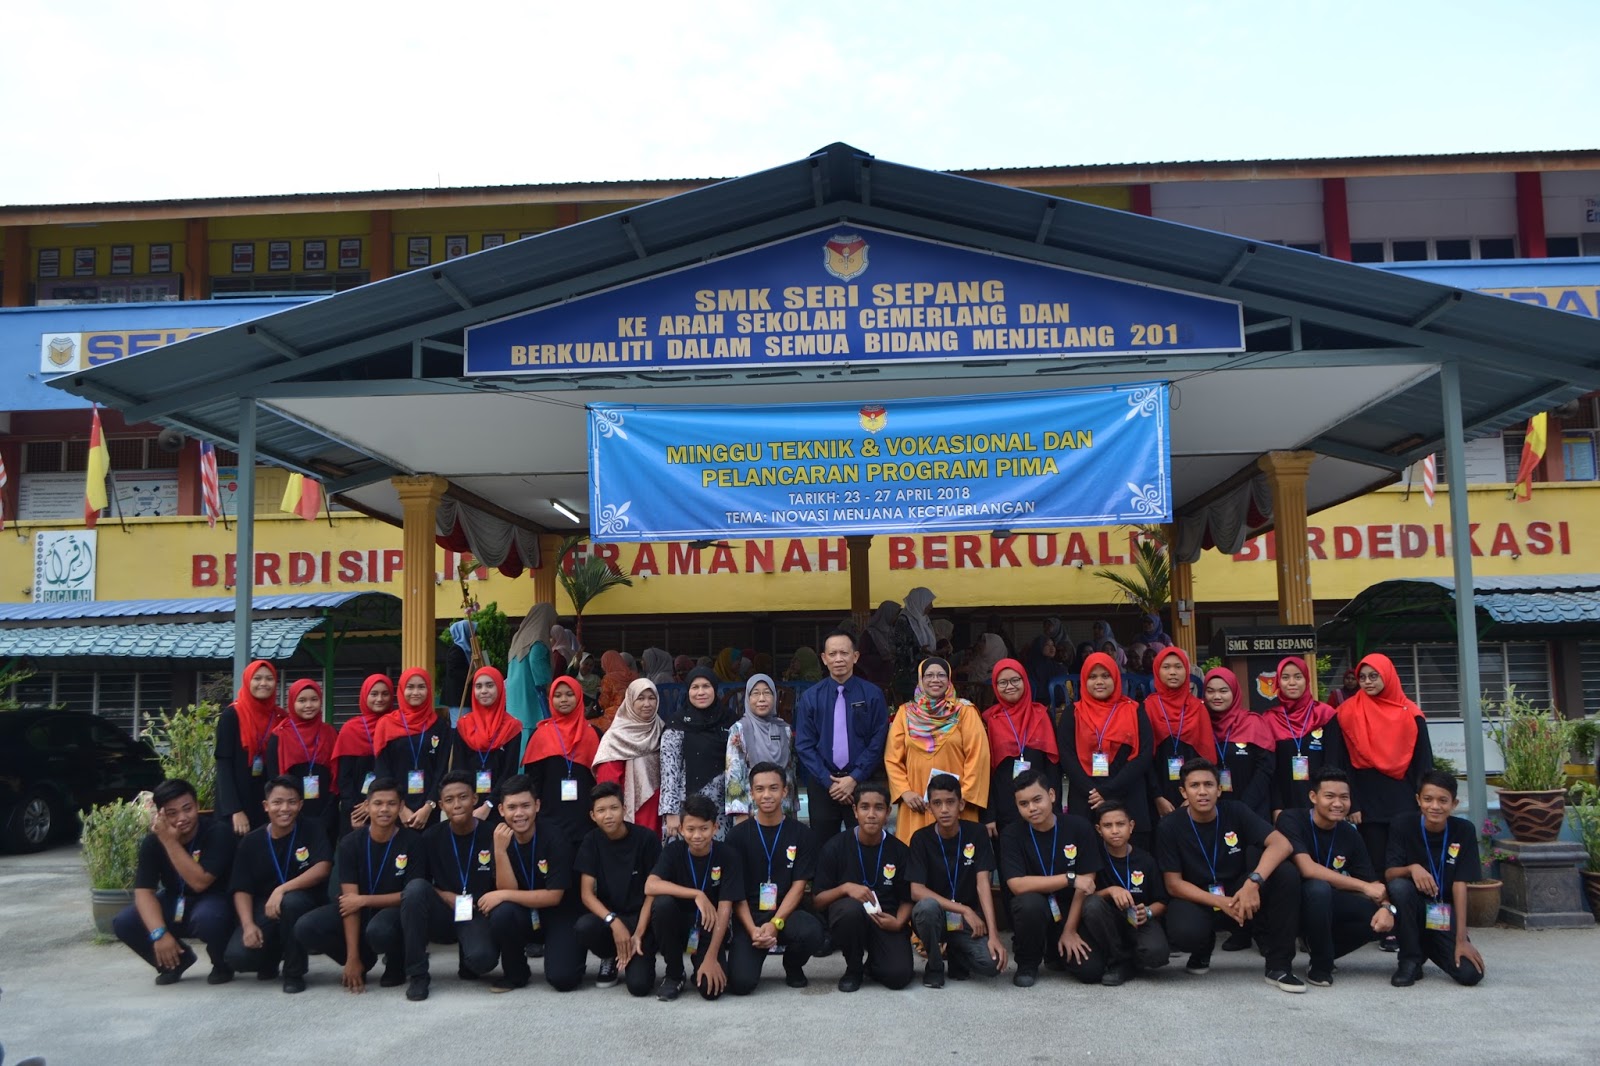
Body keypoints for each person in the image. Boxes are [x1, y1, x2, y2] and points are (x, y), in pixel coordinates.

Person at [1155, 759, 1304, 993]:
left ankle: (1279, 966)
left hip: (1239, 890)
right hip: (1199, 897)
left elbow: (1282, 844)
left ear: (1219, 788)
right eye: (1194, 786)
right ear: (1183, 792)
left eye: (1209, 784)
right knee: (1184, 932)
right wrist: (1220, 902)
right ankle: (1202, 947)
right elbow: (1173, 885)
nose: (1202, 792)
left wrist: (1253, 883)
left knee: (1286, 873)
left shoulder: (1236, 811)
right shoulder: (1169, 826)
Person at [293, 776, 419, 993]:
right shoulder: (351, 843)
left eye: (391, 804)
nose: (384, 810)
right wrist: (351, 958)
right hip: (359, 909)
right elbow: (349, 902)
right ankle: (361, 961)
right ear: (367, 806)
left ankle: (396, 963)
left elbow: (410, 896)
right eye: (378, 803)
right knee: (306, 927)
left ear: (400, 807)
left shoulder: (413, 842)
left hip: (392, 911)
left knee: (381, 930)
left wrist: (364, 900)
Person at [1276, 767, 1396, 986]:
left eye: (1344, 797)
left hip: (1328, 904)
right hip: (1292, 905)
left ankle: (1324, 951)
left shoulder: (1349, 833)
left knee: (1378, 917)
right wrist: (1364, 887)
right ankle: (1321, 967)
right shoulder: (1291, 819)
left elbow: (1371, 881)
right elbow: (1307, 869)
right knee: (1317, 888)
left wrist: (1387, 908)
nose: (1338, 804)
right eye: (1329, 796)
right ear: (1313, 797)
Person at [113, 778, 237, 985]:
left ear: (197, 806)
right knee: (125, 922)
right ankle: (175, 962)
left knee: (208, 918)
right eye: (172, 813)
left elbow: (200, 882)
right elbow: (144, 892)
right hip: (175, 899)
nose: (182, 818)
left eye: (187, 809)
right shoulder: (153, 842)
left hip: (214, 899)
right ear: (160, 814)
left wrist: (170, 842)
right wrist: (159, 933)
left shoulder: (218, 832)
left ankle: (222, 963)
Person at [724, 761, 826, 993]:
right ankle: (753, 949)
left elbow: (799, 887)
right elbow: (734, 891)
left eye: (773, 788)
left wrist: (775, 924)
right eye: (759, 789)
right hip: (749, 917)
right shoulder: (737, 836)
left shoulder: (802, 834)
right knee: (741, 985)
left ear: (785, 791)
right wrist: (752, 929)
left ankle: (792, 965)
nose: (766, 795)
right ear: (751, 793)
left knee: (812, 931)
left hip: (786, 915)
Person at [225, 775, 333, 993]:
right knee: (238, 957)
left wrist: (282, 889)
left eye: (292, 802)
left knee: (291, 902)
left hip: (304, 901)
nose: (285, 808)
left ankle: (294, 973)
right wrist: (248, 925)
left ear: (300, 804)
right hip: (265, 907)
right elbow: (241, 888)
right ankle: (270, 957)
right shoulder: (251, 841)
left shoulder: (313, 828)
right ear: (266, 806)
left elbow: (323, 867)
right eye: (277, 802)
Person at [398, 770, 500, 1001]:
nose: (457, 804)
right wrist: (445, 896)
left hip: (478, 911)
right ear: (441, 805)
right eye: (450, 800)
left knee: (482, 962)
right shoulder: (430, 837)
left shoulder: (493, 833)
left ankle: (469, 956)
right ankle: (418, 975)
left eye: (463, 797)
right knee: (414, 891)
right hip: (443, 912)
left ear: (475, 799)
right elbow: (419, 882)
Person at [1338, 653, 1434, 895]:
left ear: (1388, 677)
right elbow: (1343, 764)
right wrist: (1352, 803)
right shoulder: (1347, 713)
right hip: (1366, 804)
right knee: (1374, 865)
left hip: (1404, 801)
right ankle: (1383, 919)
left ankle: (1408, 922)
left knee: (1406, 864)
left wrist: (1424, 801)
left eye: (1374, 676)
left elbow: (1423, 764)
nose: (1368, 682)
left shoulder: (1410, 714)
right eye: (1362, 677)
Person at [998, 768, 1102, 987]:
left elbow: (1088, 882)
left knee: (1092, 972)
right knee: (1028, 903)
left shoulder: (1079, 827)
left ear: (1052, 795)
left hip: (1070, 911)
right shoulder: (1011, 834)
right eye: (1023, 804)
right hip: (1036, 912)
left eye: (1037, 800)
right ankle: (1028, 963)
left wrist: (1070, 930)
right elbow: (1017, 885)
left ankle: (1057, 952)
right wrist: (1070, 878)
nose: (1032, 808)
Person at [1384, 770, 1486, 987]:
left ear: (1454, 803)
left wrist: (1461, 939)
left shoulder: (1464, 830)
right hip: (1413, 907)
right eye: (1428, 799)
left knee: (1470, 975)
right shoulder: (1403, 824)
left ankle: (1427, 946)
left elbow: (1460, 884)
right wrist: (1412, 868)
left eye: (1443, 800)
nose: (1435, 806)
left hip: (1442, 911)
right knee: (1400, 887)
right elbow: (1390, 874)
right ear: (1418, 800)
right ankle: (1410, 960)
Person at [482, 773, 581, 993]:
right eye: (512, 807)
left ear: (537, 805)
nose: (519, 814)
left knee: (563, 979)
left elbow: (554, 896)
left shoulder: (556, 837)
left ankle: (570, 952)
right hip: (525, 913)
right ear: (501, 810)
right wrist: (499, 851)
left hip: (558, 913)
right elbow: (508, 890)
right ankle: (515, 974)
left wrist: (503, 895)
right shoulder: (500, 838)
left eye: (525, 805)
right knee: (502, 913)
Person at [813, 783, 915, 992]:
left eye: (878, 808)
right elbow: (818, 901)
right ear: (855, 811)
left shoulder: (900, 851)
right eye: (865, 807)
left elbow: (907, 898)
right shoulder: (835, 847)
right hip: (851, 918)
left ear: (888, 812)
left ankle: (874, 963)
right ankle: (854, 968)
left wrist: (898, 923)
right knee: (850, 911)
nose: (871, 814)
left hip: (885, 919)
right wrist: (845, 888)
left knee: (899, 976)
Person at [908, 774, 1006, 988]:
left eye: (950, 802)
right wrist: (964, 910)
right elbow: (916, 890)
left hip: (966, 924)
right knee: (926, 907)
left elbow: (983, 884)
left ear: (961, 804)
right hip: (934, 918)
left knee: (993, 964)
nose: (944, 809)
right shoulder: (921, 838)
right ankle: (934, 966)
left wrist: (994, 935)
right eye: (937, 803)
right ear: (929, 807)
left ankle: (957, 950)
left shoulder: (977, 833)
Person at [645, 793, 744, 1001]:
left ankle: (701, 962)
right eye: (690, 829)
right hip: (679, 925)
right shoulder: (673, 851)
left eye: (704, 829)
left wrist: (711, 958)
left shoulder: (728, 855)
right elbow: (650, 886)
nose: (697, 835)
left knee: (711, 991)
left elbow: (725, 908)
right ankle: (674, 974)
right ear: (681, 829)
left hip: (710, 927)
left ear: (715, 828)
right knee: (662, 904)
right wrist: (697, 894)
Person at [794, 630, 891, 840]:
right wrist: (830, 783)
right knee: (822, 846)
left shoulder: (872, 694)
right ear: (824, 658)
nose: (838, 659)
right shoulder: (811, 697)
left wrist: (854, 778)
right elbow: (804, 744)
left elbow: (878, 739)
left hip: (863, 782)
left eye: (844, 653)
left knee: (865, 844)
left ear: (855, 657)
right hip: (823, 784)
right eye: (833, 653)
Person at [886, 656, 990, 843]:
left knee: (958, 859)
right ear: (921, 679)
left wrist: (959, 798)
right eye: (929, 675)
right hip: (916, 803)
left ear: (949, 679)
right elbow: (892, 758)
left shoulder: (965, 711)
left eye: (941, 675)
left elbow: (978, 757)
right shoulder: (905, 713)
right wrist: (905, 792)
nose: (935, 680)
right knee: (918, 856)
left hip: (957, 803)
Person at [1058, 652, 1155, 850]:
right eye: (1092, 677)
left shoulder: (1135, 710)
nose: (1099, 682)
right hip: (1086, 797)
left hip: (1127, 792)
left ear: (1116, 678)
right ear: (1084, 680)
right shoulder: (1073, 713)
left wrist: (1107, 790)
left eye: (1105, 676)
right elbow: (1066, 756)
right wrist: (1093, 791)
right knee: (1087, 856)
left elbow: (1144, 755)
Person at [573, 781, 661, 996]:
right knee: (584, 925)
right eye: (601, 811)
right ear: (593, 816)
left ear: (624, 809)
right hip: (611, 918)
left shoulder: (646, 839)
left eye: (614, 808)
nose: (608, 815)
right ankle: (609, 956)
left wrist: (638, 932)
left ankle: (636, 950)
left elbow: (654, 890)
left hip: (641, 918)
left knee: (639, 987)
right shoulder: (591, 841)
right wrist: (613, 922)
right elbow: (586, 894)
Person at [981, 657, 1061, 839]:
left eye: (1015, 680)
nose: (1010, 686)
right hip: (1005, 808)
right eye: (1002, 682)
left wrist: (1053, 806)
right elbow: (985, 772)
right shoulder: (989, 720)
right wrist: (989, 814)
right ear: (995, 686)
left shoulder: (1042, 714)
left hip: (1041, 806)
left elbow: (1053, 765)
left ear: (1025, 681)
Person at [1091, 801, 1169, 985]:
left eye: (1120, 824)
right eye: (1108, 826)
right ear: (1098, 829)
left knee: (1157, 954)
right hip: (1105, 920)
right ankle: (1120, 961)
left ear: (1131, 826)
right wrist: (1110, 891)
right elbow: (1085, 899)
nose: (1115, 830)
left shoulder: (1146, 860)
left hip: (1137, 919)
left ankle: (1129, 959)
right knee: (1092, 906)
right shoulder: (1094, 857)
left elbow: (1162, 901)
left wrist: (1148, 912)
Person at [523, 675, 604, 850]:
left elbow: (599, 779)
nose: (564, 699)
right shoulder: (540, 734)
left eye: (569, 694)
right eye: (557, 696)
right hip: (549, 817)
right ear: (550, 700)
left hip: (584, 818)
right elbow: (533, 781)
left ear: (579, 696)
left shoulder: (593, 734)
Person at [661, 667, 737, 841]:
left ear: (715, 689)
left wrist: (738, 809)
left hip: (721, 808)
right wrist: (670, 812)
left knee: (717, 858)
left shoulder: (730, 721)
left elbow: (737, 768)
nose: (700, 692)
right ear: (687, 691)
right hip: (686, 808)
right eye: (695, 687)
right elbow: (669, 771)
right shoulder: (677, 723)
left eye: (706, 686)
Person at [373, 668, 452, 832]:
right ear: (402, 690)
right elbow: (383, 770)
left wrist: (429, 806)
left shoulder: (439, 725)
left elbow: (441, 770)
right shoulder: (387, 724)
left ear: (428, 690)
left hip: (429, 811)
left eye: (421, 687)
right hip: (395, 810)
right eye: (410, 687)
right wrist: (400, 808)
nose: (415, 692)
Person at [1266, 656, 1345, 819]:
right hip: (1286, 804)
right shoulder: (1269, 719)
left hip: (1321, 804)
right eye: (1285, 677)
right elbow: (1271, 770)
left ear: (1307, 680)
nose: (1292, 683)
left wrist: (1328, 800)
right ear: (1278, 682)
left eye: (1298, 677)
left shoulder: (1325, 714)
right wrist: (1277, 806)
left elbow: (1332, 761)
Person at [263, 679, 339, 842]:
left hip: (325, 812)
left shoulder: (329, 733)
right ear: (292, 702)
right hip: (290, 812)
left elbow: (336, 775)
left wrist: (329, 812)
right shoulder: (280, 735)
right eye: (302, 700)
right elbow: (274, 779)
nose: (309, 705)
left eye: (314, 699)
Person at [446, 666, 525, 822]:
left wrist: (489, 804)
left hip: (500, 806)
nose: (483, 691)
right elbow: (459, 767)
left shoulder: (512, 727)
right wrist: (468, 803)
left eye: (490, 685)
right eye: (478, 686)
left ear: (500, 689)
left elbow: (509, 772)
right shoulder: (463, 725)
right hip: (468, 806)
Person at [1145, 647, 1216, 818]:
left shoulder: (1197, 707)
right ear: (1157, 671)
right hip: (1157, 793)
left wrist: (1192, 797)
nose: (1172, 672)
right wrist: (1157, 797)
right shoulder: (1148, 706)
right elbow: (1144, 758)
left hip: (1193, 796)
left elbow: (1205, 755)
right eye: (1166, 667)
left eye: (1178, 667)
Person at [215, 659, 283, 836]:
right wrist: (234, 810)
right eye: (257, 678)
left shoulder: (280, 717)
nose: (263, 683)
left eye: (269, 679)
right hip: (237, 803)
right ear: (247, 681)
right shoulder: (232, 715)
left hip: (268, 803)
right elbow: (223, 764)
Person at [1203, 667, 1276, 821]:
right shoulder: (1200, 724)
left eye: (1223, 691)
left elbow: (1265, 768)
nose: (1216, 696)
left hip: (1252, 809)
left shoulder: (1252, 722)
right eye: (1210, 691)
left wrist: (1244, 806)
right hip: (1212, 811)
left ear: (1234, 692)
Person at [594, 678, 665, 835]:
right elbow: (608, 783)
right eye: (640, 698)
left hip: (660, 811)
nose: (647, 704)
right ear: (630, 700)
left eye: (651, 698)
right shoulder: (615, 738)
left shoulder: (662, 730)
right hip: (629, 813)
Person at [726, 672, 799, 822]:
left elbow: (791, 770)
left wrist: (792, 806)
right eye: (755, 693)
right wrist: (740, 813)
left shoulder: (784, 729)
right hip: (752, 809)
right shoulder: (739, 729)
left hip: (783, 806)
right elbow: (734, 773)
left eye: (767, 693)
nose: (761, 699)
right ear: (748, 698)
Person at [333, 674, 394, 838]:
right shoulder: (350, 729)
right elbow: (344, 777)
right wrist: (359, 808)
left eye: (385, 693)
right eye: (374, 694)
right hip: (356, 809)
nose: (380, 699)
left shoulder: (397, 726)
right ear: (364, 695)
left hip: (389, 807)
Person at [506, 603, 557, 745]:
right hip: (531, 701)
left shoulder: (518, 637)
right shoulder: (538, 640)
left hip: (514, 702)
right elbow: (537, 663)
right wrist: (548, 686)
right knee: (531, 742)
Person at [1022, 634, 1070, 713]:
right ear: (1039, 647)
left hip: (1059, 708)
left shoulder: (1060, 668)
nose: (1052, 648)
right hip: (1037, 710)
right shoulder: (1030, 668)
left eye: (1053, 645)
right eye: (1047, 645)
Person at [597, 649, 639, 732]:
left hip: (615, 715)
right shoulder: (635, 675)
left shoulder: (608, 679)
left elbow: (604, 703)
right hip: (635, 713)